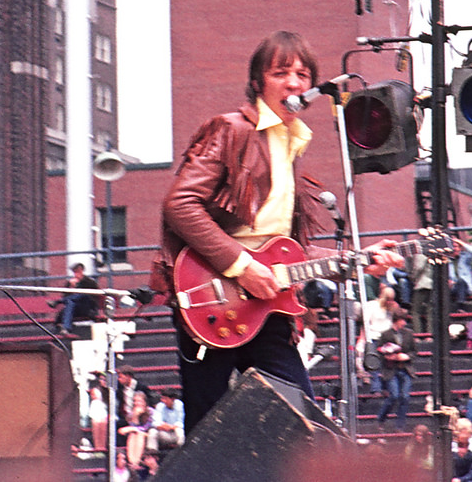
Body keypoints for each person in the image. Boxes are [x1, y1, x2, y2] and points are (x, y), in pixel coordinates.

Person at [159, 31, 405, 434]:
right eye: (281, 73)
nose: (294, 83)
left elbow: (284, 253)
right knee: (206, 434)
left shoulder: (290, 145)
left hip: (267, 310)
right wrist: (243, 268)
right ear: (258, 82)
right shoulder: (231, 130)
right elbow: (180, 205)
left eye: (303, 75)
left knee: (300, 427)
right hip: (209, 301)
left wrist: (361, 262)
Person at [376, 308, 417, 431]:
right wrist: (388, 356)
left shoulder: (408, 334)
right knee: (394, 396)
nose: (404, 323)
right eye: (402, 320)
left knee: (405, 397)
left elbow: (414, 351)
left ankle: (400, 426)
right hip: (391, 369)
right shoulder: (386, 334)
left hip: (405, 369)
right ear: (396, 320)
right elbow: (379, 352)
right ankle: (381, 419)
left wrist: (407, 356)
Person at [51, 262, 100, 337]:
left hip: (87, 308)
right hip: (75, 310)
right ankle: (66, 328)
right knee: (70, 302)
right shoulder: (70, 282)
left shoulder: (89, 282)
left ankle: (57, 302)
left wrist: (80, 284)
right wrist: (71, 287)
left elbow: (94, 296)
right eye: (75, 271)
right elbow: (65, 297)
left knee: (83, 294)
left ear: (82, 270)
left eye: (78, 271)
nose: (76, 273)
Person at [117, 390, 152, 470]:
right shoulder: (131, 414)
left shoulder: (151, 411)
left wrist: (132, 428)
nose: (136, 403)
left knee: (139, 434)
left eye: (139, 401)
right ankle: (132, 462)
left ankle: (136, 462)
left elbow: (147, 428)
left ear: (144, 402)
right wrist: (135, 417)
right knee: (133, 434)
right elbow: (133, 428)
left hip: (149, 434)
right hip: (137, 434)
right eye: (135, 401)